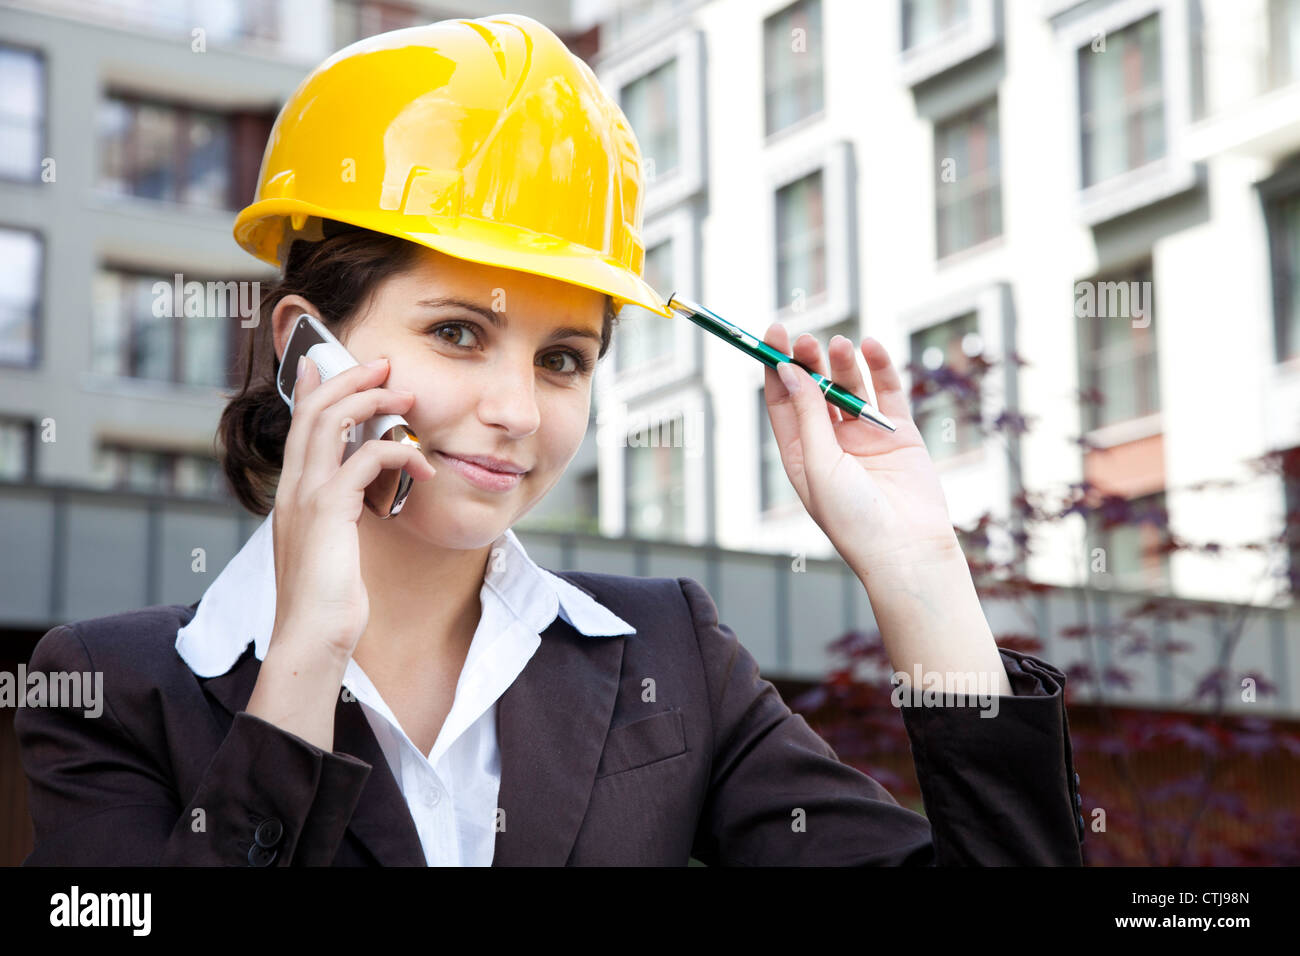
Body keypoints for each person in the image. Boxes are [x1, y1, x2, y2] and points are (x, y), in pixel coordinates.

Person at [15, 14, 1085, 866]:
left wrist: (922, 573)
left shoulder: (670, 657)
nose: (518, 409)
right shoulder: (115, 687)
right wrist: (305, 658)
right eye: (456, 332)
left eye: (562, 357)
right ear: (307, 349)